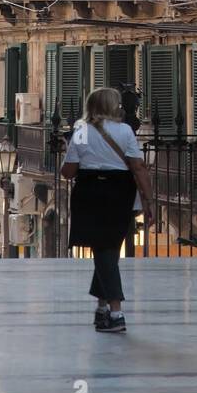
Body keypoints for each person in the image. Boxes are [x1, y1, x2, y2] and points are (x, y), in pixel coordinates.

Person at [61, 86, 155, 333]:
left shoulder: (82, 130)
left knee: (103, 249)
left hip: (89, 191)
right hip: (120, 192)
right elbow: (138, 168)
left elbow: (67, 172)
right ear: (113, 106)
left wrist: (70, 148)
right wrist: (149, 200)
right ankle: (103, 308)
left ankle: (116, 313)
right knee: (108, 249)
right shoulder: (125, 131)